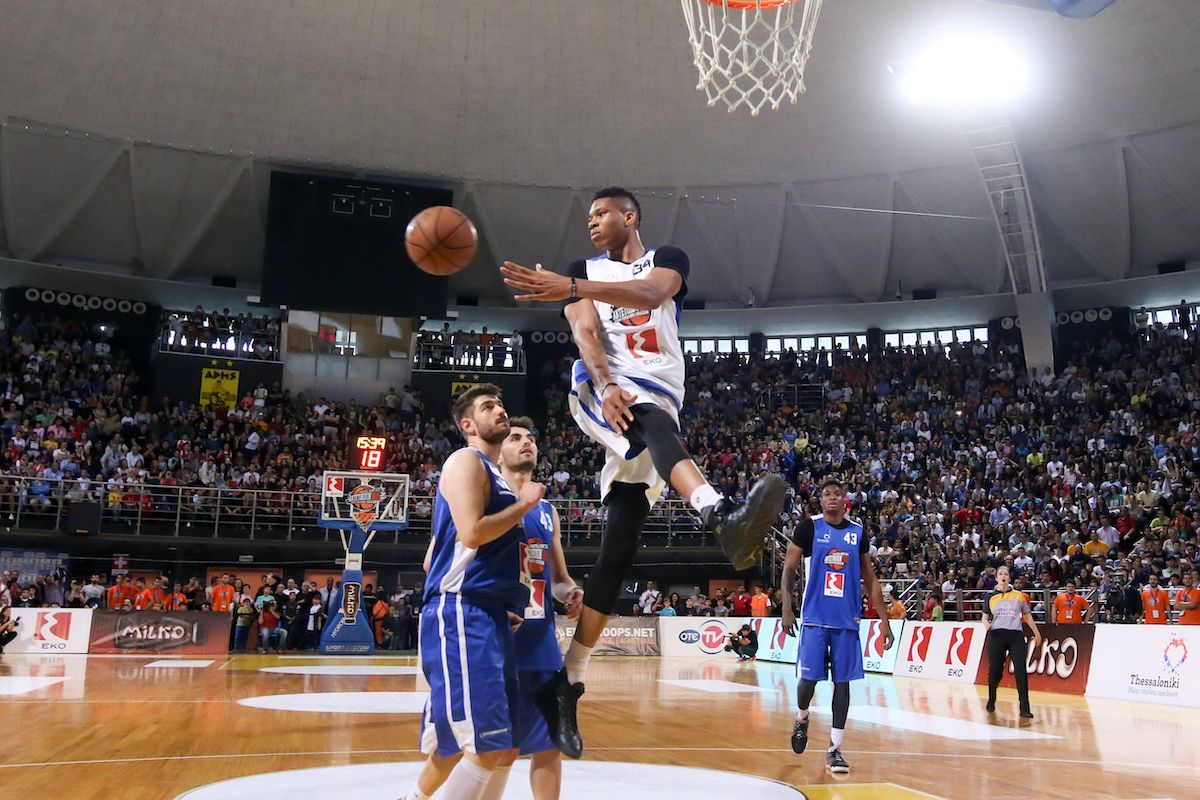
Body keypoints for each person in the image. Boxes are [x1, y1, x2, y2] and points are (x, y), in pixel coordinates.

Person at [501, 187, 786, 758]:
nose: (591, 223)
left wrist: (576, 287)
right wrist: (604, 382)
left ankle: (568, 681)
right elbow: (584, 331)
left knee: (620, 551)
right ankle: (718, 513)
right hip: (605, 390)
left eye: (600, 214)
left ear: (629, 217)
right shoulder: (582, 270)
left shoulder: (665, 259)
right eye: (587, 217)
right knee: (650, 424)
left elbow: (652, 292)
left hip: (660, 393)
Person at [401, 384, 544, 800]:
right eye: (488, 407)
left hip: (487, 611)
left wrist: (503, 597)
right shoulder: (466, 460)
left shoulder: (495, 475)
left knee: (498, 745)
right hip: (461, 611)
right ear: (468, 425)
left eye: (500, 404)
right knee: (488, 745)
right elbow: (472, 533)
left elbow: (436, 556)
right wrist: (524, 506)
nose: (499, 410)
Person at [781, 479, 892, 775]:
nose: (832, 498)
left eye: (837, 494)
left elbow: (870, 580)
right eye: (827, 494)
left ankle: (834, 750)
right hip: (815, 618)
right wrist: (787, 607)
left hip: (847, 621)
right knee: (808, 683)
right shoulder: (809, 527)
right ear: (820, 500)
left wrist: (884, 621)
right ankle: (802, 717)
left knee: (842, 685)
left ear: (845, 501)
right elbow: (789, 567)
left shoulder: (857, 533)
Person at [982, 565, 1042, 719]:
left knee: (1021, 671)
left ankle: (1024, 707)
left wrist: (1036, 633)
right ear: (996, 578)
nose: (1003, 576)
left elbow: (1027, 616)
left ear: (1009, 577)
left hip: (1015, 635)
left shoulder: (1019, 595)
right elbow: (984, 616)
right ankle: (991, 698)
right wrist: (986, 624)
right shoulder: (990, 596)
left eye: (1006, 574)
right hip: (997, 635)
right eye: (1000, 574)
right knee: (995, 671)